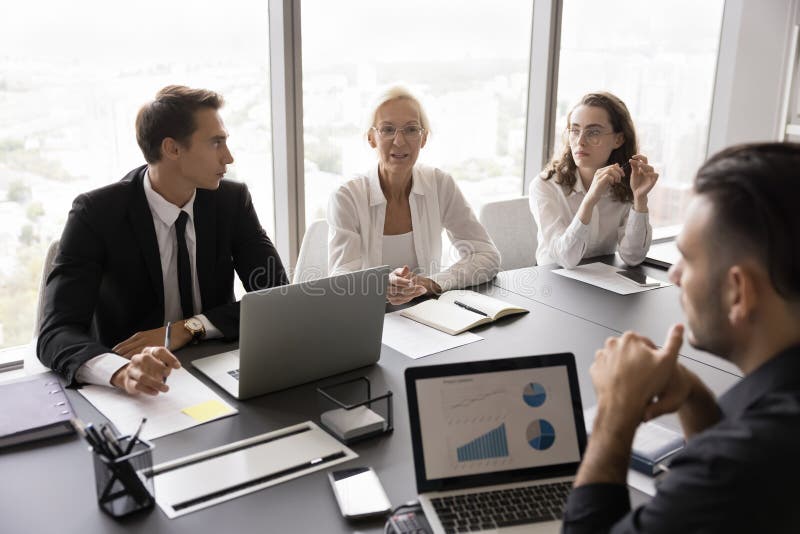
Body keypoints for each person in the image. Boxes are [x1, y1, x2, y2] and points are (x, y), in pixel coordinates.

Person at [563, 143, 800, 532]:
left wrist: (615, 414)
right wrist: (693, 397)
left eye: (686, 259)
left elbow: (729, 471)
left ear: (738, 292)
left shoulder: (741, 465)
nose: (674, 276)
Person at [37, 85, 288, 396]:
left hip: (215, 367)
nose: (229, 157)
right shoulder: (97, 214)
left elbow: (278, 299)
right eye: (216, 143)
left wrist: (187, 329)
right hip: (136, 385)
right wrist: (120, 371)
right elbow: (55, 333)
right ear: (172, 149)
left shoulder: (231, 201)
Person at [327, 86, 500, 304]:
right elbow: (340, 280)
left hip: (428, 317)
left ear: (424, 138)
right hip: (368, 319)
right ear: (371, 138)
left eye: (411, 130)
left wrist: (433, 283)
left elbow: (487, 255)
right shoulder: (347, 197)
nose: (399, 141)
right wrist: (380, 285)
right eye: (388, 129)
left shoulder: (440, 184)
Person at [529, 92, 659, 268]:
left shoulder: (625, 182)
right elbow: (565, 258)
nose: (580, 141)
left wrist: (640, 200)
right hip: (551, 283)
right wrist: (590, 199)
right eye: (575, 131)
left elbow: (633, 257)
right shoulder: (545, 186)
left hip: (601, 285)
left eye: (594, 132)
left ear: (618, 139)